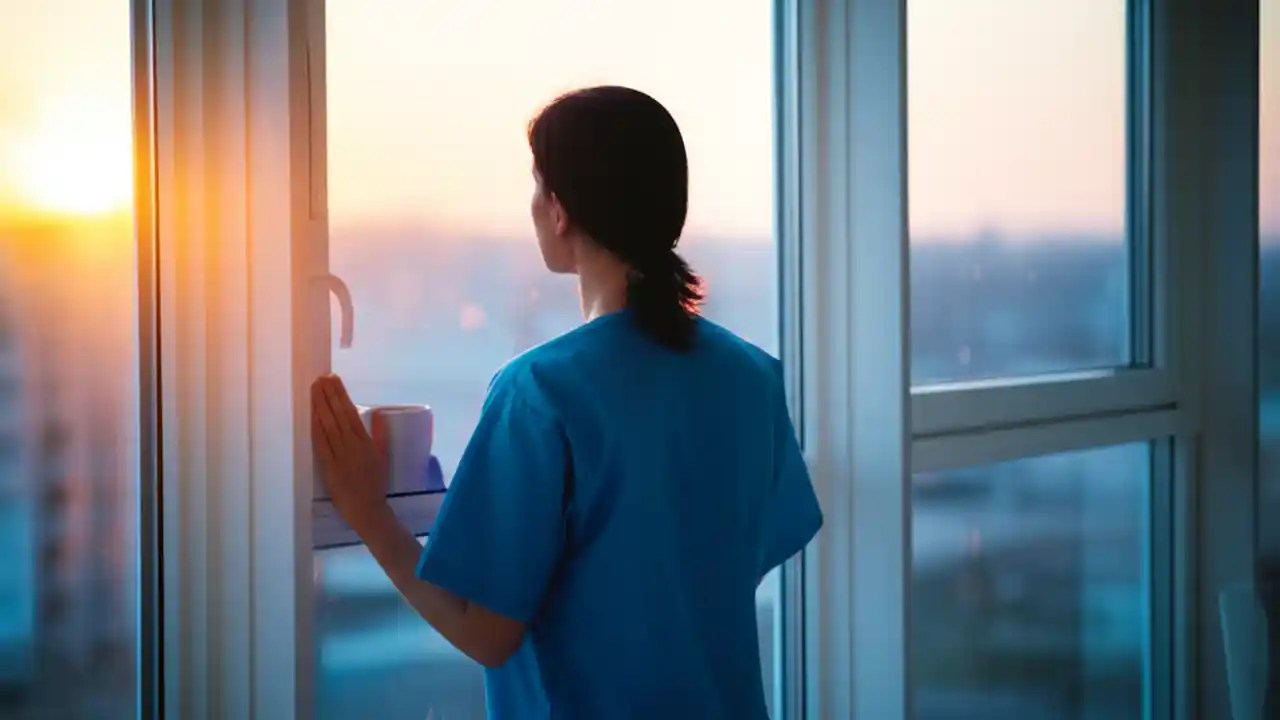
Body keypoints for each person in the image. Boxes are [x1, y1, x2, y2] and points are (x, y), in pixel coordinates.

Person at [311, 85, 822, 719]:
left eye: (537, 185)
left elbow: (486, 633)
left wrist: (366, 510)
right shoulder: (753, 379)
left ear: (560, 210)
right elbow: (727, 564)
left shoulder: (540, 394)